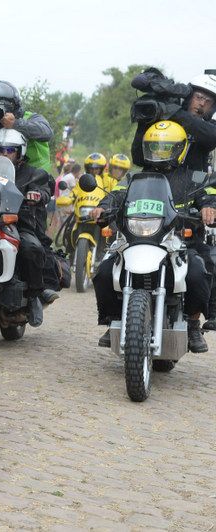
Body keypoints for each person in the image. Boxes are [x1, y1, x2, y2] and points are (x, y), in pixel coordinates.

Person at [92, 121, 215, 352]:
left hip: (180, 241)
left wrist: (210, 208)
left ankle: (192, 323)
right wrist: (103, 207)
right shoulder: (134, 178)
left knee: (199, 272)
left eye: (166, 147)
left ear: (180, 149)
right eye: (155, 147)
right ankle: (114, 319)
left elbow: (208, 196)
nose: (159, 152)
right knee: (105, 271)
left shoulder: (195, 177)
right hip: (136, 239)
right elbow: (116, 195)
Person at [0, 129, 55, 325]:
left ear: (20, 151)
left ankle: (34, 295)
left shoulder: (32, 173)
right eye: (0, 150)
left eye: (10, 149)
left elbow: (43, 189)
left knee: (31, 248)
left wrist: (38, 195)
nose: (4, 154)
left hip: (19, 224)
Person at [132, 74, 216, 172]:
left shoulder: (208, 129)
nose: (202, 104)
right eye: (199, 97)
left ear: (212, 107)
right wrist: (146, 121)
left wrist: (169, 111)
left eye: (208, 101)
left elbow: (212, 136)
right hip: (155, 183)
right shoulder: (163, 123)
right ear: (189, 98)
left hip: (193, 186)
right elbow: (138, 159)